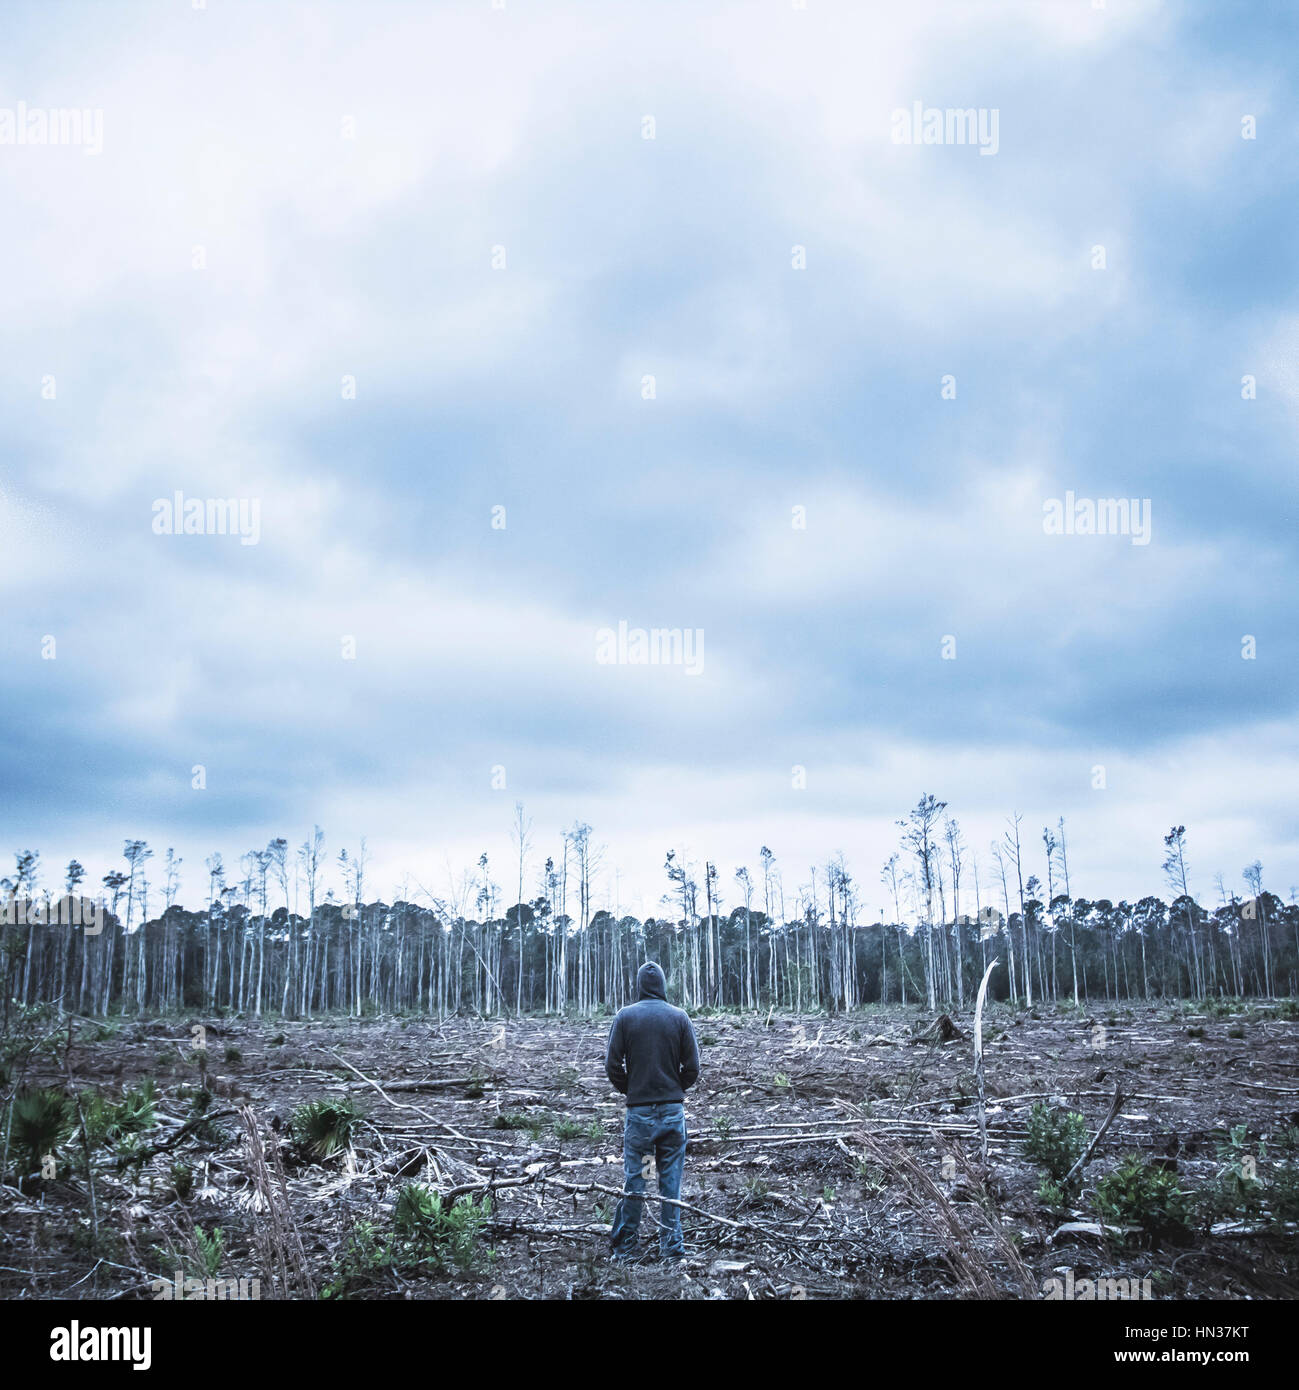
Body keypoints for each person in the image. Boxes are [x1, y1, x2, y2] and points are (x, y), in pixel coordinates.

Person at [604, 961, 700, 1261]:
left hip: (641, 1118)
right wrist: (674, 1090)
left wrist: (632, 1091)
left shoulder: (625, 1017)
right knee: (669, 1181)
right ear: (662, 985)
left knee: (639, 1178)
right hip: (671, 1117)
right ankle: (671, 1250)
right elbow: (693, 1068)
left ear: (639, 986)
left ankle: (626, 1249)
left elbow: (612, 1065)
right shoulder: (679, 1018)